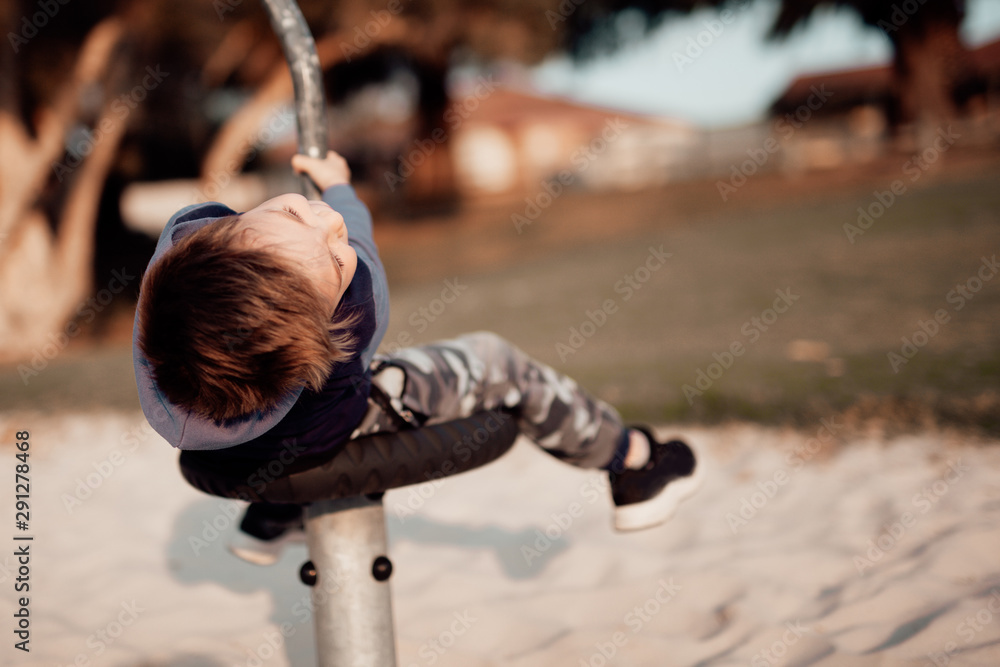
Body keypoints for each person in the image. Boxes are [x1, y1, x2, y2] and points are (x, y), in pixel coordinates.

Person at [132, 151, 700, 565]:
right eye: (333, 261)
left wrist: (309, 261)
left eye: (293, 215)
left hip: (246, 456)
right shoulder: (353, 310)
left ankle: (270, 517)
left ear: (222, 232)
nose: (326, 223)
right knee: (495, 359)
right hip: (336, 429)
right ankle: (631, 464)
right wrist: (339, 189)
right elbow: (357, 234)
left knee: (280, 415)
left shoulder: (170, 329)